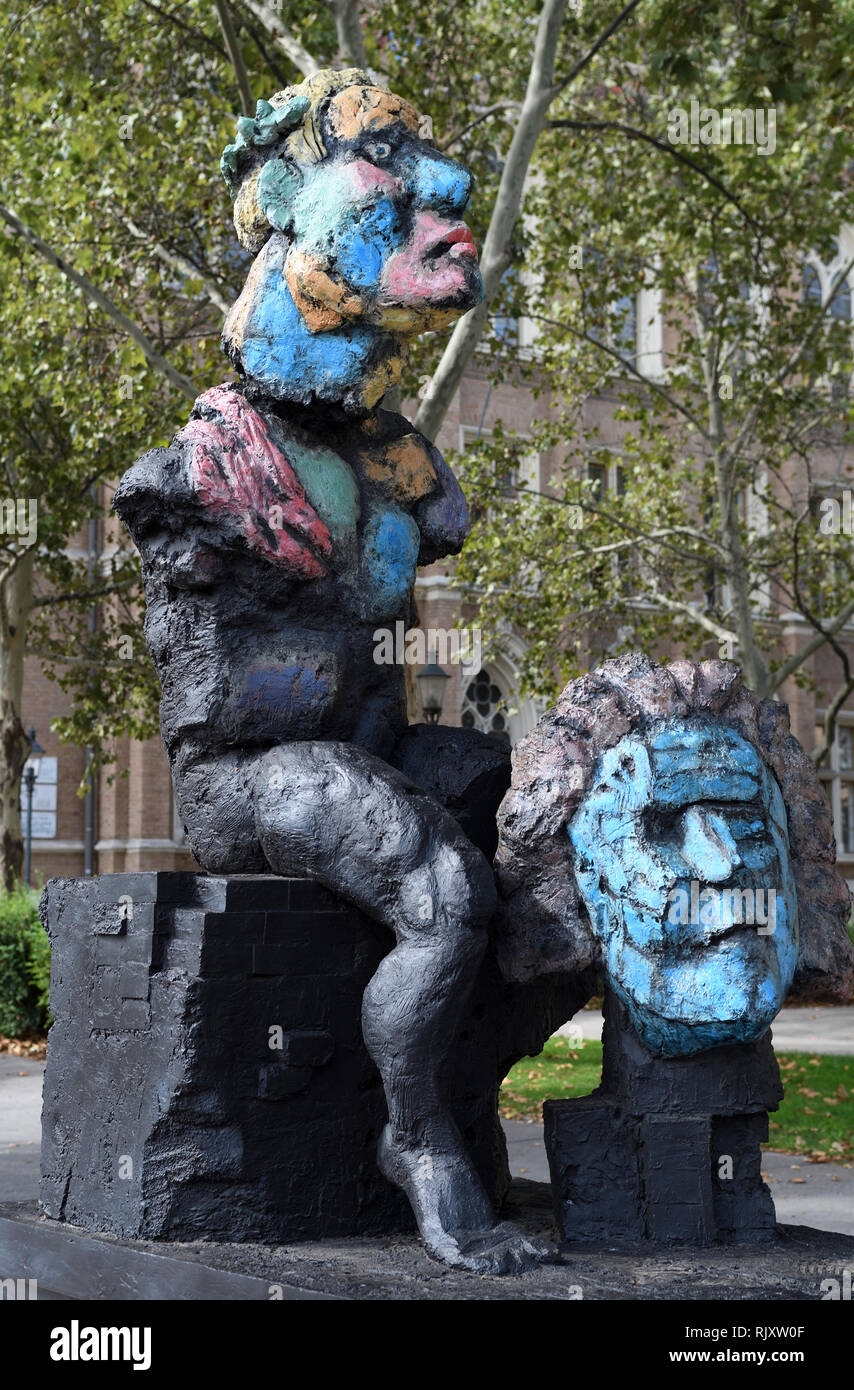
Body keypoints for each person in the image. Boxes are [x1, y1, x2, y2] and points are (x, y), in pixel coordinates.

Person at [115, 68, 547, 1274]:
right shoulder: (201, 472)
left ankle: (453, 1074)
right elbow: (226, 703)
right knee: (445, 890)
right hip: (253, 784)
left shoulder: (391, 459)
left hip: (374, 748)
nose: (440, 215)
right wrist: (335, 686)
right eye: (387, 200)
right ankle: (417, 1144)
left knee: (556, 835)